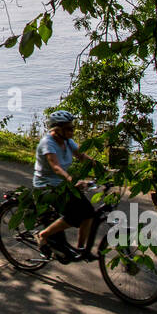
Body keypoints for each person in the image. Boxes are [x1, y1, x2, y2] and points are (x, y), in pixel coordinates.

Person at [33, 109, 103, 263]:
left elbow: (81, 156)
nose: (73, 131)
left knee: (89, 213)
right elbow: (56, 167)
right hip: (47, 187)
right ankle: (42, 235)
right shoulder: (48, 144)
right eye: (69, 128)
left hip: (62, 185)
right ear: (58, 129)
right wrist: (72, 180)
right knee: (75, 215)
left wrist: (99, 167)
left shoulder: (67, 141)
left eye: (73, 127)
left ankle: (81, 249)